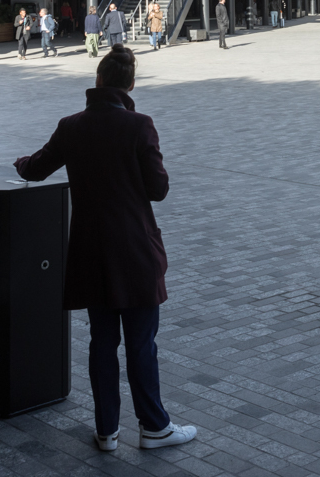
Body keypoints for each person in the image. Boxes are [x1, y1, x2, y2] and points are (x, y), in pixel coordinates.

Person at [12, 46, 198, 453]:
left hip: (91, 254)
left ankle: (106, 431)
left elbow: (38, 167)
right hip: (134, 252)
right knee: (141, 343)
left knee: (101, 343)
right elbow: (159, 189)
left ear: (97, 81)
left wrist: (18, 163)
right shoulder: (140, 125)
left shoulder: (71, 126)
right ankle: (154, 427)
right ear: (130, 85)